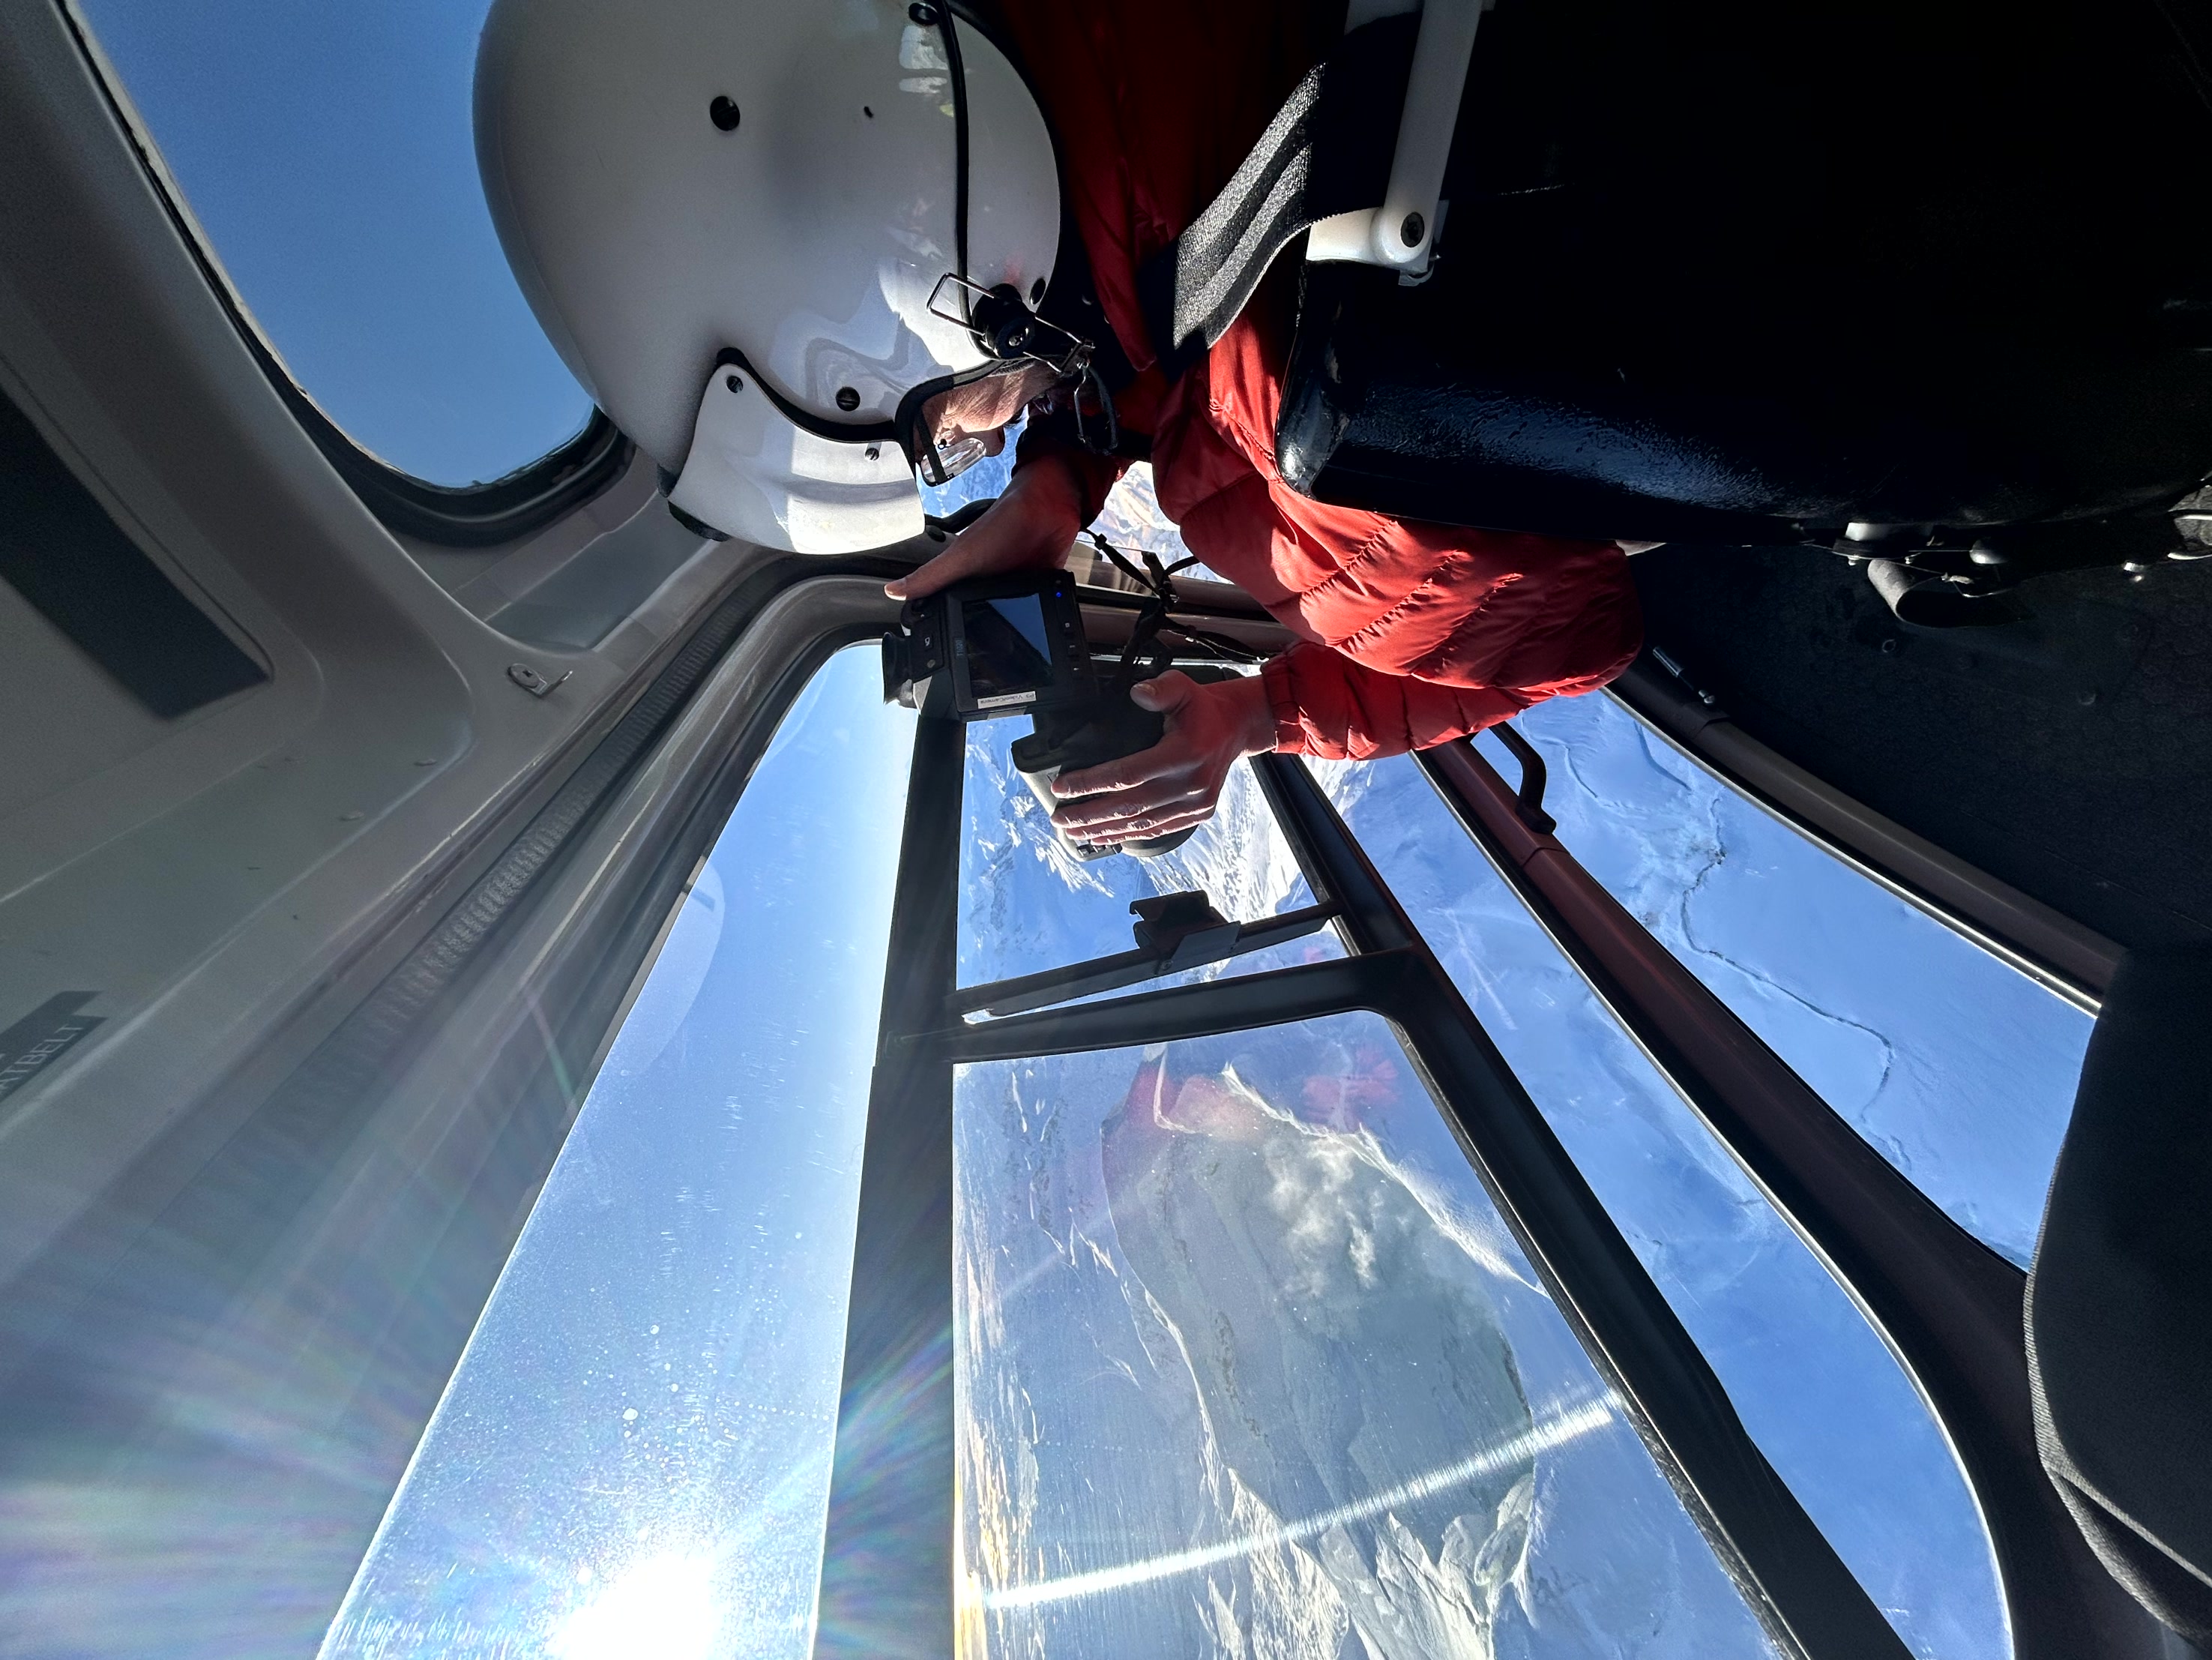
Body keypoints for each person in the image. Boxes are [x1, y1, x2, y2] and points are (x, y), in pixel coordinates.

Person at [475, 0, 1639, 849]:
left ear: (954, 289)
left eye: (931, 427)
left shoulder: (1331, 470)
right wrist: (1063, 469)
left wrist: (1264, 713)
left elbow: (1586, 643)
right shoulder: (1145, 80)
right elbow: (1169, 277)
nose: (970, 455)